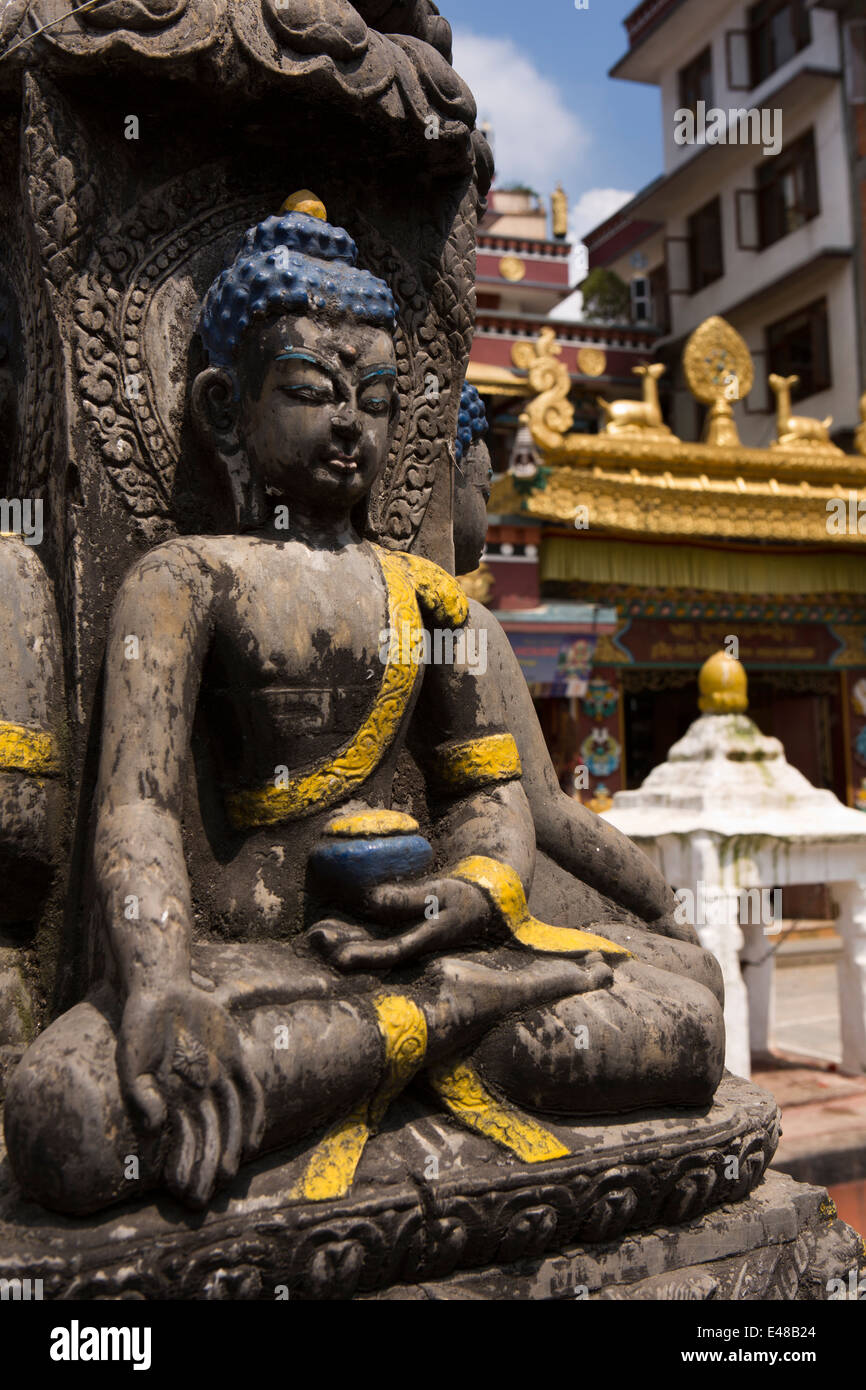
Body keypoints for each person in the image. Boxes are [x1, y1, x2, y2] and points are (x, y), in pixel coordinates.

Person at [4, 200, 723, 1215]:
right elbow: (136, 806)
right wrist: (160, 979)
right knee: (68, 1114)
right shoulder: (185, 576)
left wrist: (465, 898)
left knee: (686, 1018)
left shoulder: (428, 594)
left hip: (437, 936)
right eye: (310, 390)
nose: (350, 422)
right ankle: (442, 1023)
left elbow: (495, 800)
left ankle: (436, 1013)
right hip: (258, 954)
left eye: (377, 398)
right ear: (222, 409)